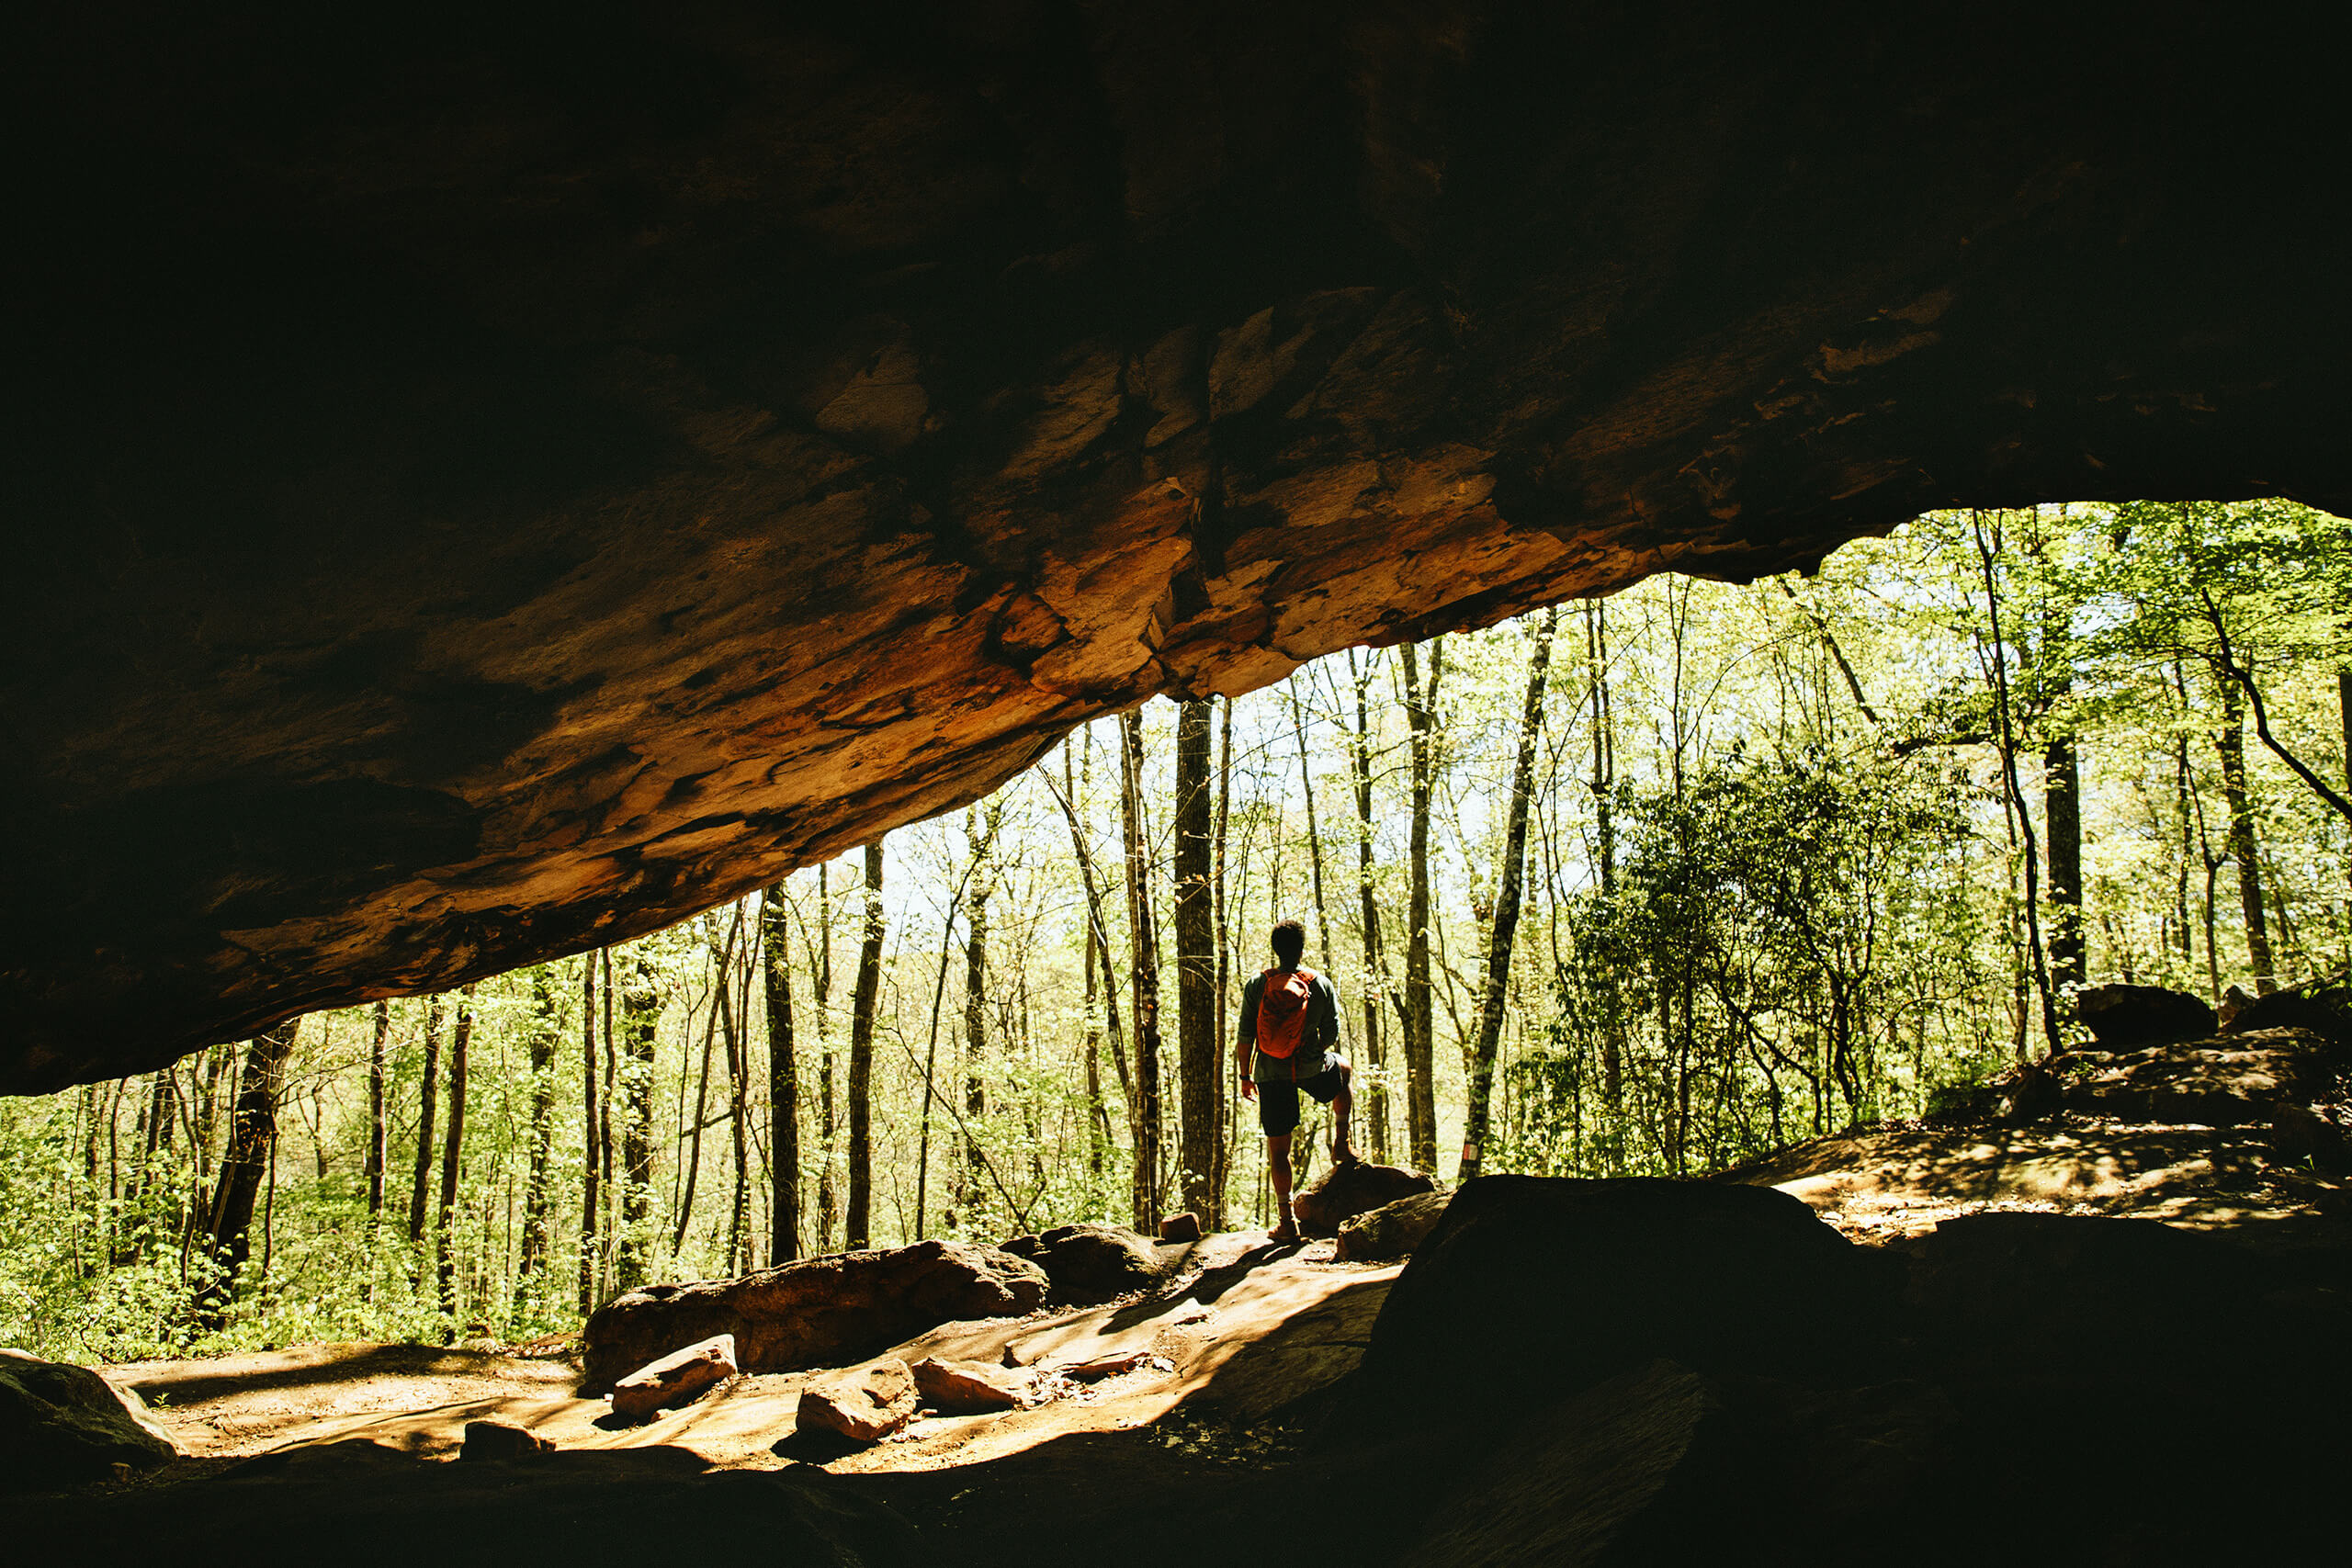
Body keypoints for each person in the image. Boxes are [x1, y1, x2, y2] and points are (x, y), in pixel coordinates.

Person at [1236, 918, 1355, 1245]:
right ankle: (1341, 1143)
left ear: (1275, 950)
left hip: (1270, 1074)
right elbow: (1331, 1033)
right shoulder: (1320, 983)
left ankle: (1287, 1221)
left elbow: (1246, 1036)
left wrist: (1246, 1076)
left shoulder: (1257, 985)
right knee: (1343, 1070)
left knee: (1279, 1150)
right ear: (1301, 950)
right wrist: (1311, 1051)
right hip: (1310, 1068)